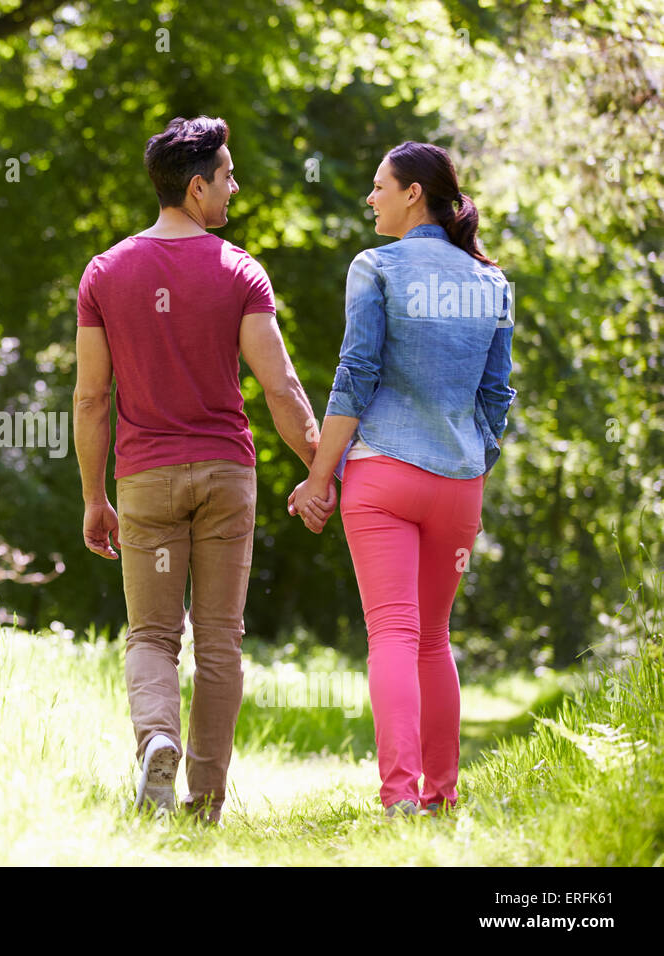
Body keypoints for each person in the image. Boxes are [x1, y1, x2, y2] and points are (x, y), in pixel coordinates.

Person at [73, 115, 335, 824]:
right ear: (197, 187)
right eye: (226, 176)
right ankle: (204, 805)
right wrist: (321, 467)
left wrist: (95, 498)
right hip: (225, 477)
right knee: (220, 640)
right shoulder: (238, 270)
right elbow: (280, 386)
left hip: (147, 481)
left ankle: (157, 737)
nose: (235, 186)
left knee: (153, 635)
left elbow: (93, 397)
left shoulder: (105, 272)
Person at [288, 141, 517, 820]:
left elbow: (354, 375)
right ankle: (442, 797)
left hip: (382, 474)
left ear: (414, 192)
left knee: (391, 632)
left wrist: (318, 479)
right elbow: (497, 393)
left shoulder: (376, 267)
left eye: (379, 186)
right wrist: (472, 460)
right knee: (434, 637)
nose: (370, 198)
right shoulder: (492, 282)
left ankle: (398, 799)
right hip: (459, 481)